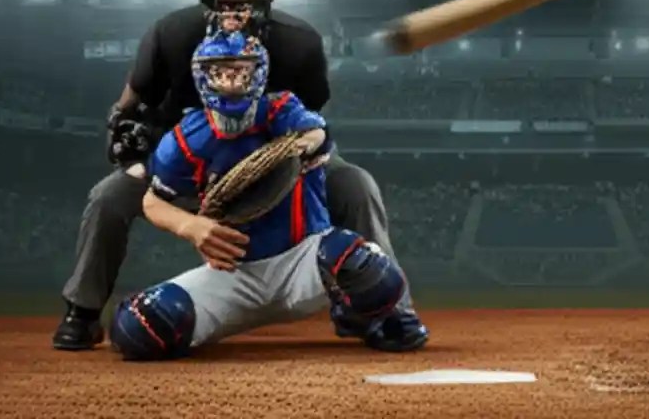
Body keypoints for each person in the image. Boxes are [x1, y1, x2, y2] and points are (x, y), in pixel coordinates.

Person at [54, 0, 428, 353]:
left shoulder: (298, 42)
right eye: (223, 5)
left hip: (275, 143)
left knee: (355, 184)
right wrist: (124, 132)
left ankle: (388, 311)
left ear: (267, 11)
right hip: (186, 146)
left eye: (245, 6)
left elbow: (311, 117)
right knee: (108, 196)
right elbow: (131, 99)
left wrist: (292, 152)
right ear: (206, 9)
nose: (234, 15)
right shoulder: (173, 34)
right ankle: (82, 311)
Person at [109, 30, 418, 360]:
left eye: (241, 70)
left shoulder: (281, 109)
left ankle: (362, 319)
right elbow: (152, 201)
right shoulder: (184, 140)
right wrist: (192, 227)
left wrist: (295, 147)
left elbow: (318, 132)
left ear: (258, 74)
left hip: (305, 261)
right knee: (139, 326)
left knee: (364, 265)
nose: (230, 80)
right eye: (220, 71)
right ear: (202, 77)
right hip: (233, 274)